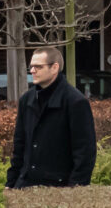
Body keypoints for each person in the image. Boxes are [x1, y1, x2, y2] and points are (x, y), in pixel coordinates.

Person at [8, 47, 97, 189]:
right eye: (31, 66)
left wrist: (75, 190)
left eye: (38, 67)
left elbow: (85, 152)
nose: (32, 71)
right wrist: (11, 182)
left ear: (54, 67)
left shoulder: (75, 102)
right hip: (25, 186)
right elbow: (19, 145)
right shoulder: (26, 99)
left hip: (59, 188)